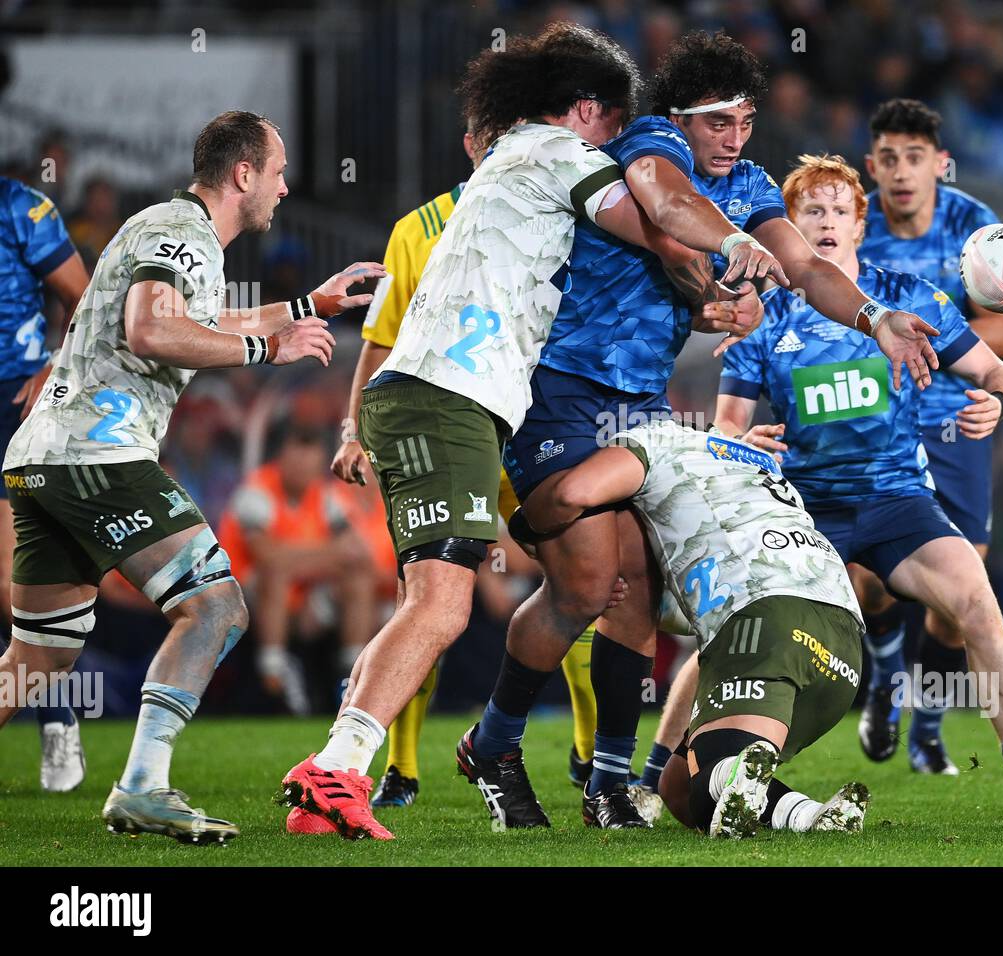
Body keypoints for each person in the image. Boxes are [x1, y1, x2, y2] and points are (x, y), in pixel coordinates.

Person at [278, 22, 783, 841]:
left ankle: (347, 767)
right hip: (447, 396)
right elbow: (652, 221)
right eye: (616, 126)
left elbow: (640, 261)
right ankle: (342, 771)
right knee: (444, 607)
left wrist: (705, 297)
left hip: (459, 399)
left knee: (484, 595)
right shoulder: (555, 152)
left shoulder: (515, 163)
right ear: (586, 110)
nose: (620, 141)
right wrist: (730, 249)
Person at [467, 29, 942, 831]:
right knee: (585, 583)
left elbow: (806, 268)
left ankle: (611, 782)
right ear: (681, 118)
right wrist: (732, 246)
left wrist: (876, 317)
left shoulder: (750, 180)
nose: (734, 138)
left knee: (638, 591)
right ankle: (495, 743)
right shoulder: (652, 143)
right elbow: (662, 202)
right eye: (717, 122)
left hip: (638, 399)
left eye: (745, 120)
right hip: (560, 387)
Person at [0, 109, 374, 844]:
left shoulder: (172, 233)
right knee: (216, 607)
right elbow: (152, 329)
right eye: (277, 171)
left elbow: (193, 321)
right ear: (243, 176)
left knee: (40, 653)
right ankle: (142, 786)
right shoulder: (184, 233)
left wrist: (305, 306)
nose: (285, 186)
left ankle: (141, 784)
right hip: (97, 457)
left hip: (40, 458)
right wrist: (272, 351)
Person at [714, 153, 1003, 817]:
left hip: (896, 500)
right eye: (809, 211)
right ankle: (660, 767)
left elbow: (1000, 374)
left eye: (837, 210)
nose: (823, 221)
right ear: (787, 226)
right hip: (804, 509)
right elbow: (726, 428)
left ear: (859, 224)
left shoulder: (908, 299)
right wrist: (741, 444)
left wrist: (998, 400)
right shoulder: (760, 317)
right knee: (743, 628)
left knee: (975, 602)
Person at [325, 122, 603, 814]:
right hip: (454, 419)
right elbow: (382, 341)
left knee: (585, 577)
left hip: (535, 421)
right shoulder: (416, 229)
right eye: (491, 134)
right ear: (471, 140)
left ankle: (591, 753)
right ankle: (399, 767)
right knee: (433, 592)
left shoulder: (569, 203)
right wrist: (352, 430)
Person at [511, 418, 871, 839]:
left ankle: (731, 770)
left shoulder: (654, 439)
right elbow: (700, 604)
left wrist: (529, 527)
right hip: (842, 643)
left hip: (766, 616)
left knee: (717, 768)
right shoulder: (754, 460)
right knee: (679, 788)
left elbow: (574, 493)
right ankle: (810, 815)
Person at [855, 98, 1003, 774]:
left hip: (956, 419)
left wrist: (931, 341)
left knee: (962, 593)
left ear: (939, 164)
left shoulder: (975, 228)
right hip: (879, 416)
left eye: (915, 158)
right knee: (873, 583)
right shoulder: (854, 224)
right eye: (889, 159)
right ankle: (886, 683)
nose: (901, 172)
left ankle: (925, 727)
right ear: (872, 166)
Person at [0, 174, 90, 791]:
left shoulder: (20, 207)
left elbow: (84, 299)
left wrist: (57, 367)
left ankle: (58, 720)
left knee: (11, 583)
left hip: (14, 403)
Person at [221, 425, 378, 714]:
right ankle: (274, 671)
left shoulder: (324, 496)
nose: (304, 470)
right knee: (275, 575)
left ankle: (351, 674)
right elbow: (267, 557)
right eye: (297, 461)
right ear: (281, 459)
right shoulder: (256, 493)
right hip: (243, 597)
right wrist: (327, 555)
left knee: (356, 577)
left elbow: (356, 553)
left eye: (312, 464)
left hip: (303, 598)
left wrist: (296, 560)